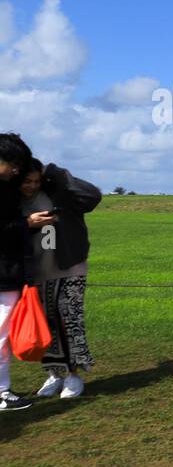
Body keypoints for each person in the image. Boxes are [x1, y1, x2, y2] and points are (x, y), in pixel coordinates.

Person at [19, 159, 102, 398]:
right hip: (36, 272)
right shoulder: (12, 201)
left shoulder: (59, 192)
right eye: (26, 181)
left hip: (69, 267)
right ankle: (54, 374)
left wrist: (55, 173)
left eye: (36, 181)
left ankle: (74, 376)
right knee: (45, 324)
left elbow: (92, 196)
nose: (31, 186)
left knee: (69, 320)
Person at [0, 134, 39, 411]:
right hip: (4, 271)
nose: (17, 170)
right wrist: (27, 222)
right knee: (1, 335)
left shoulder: (7, 186)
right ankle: (2, 392)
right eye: (13, 163)